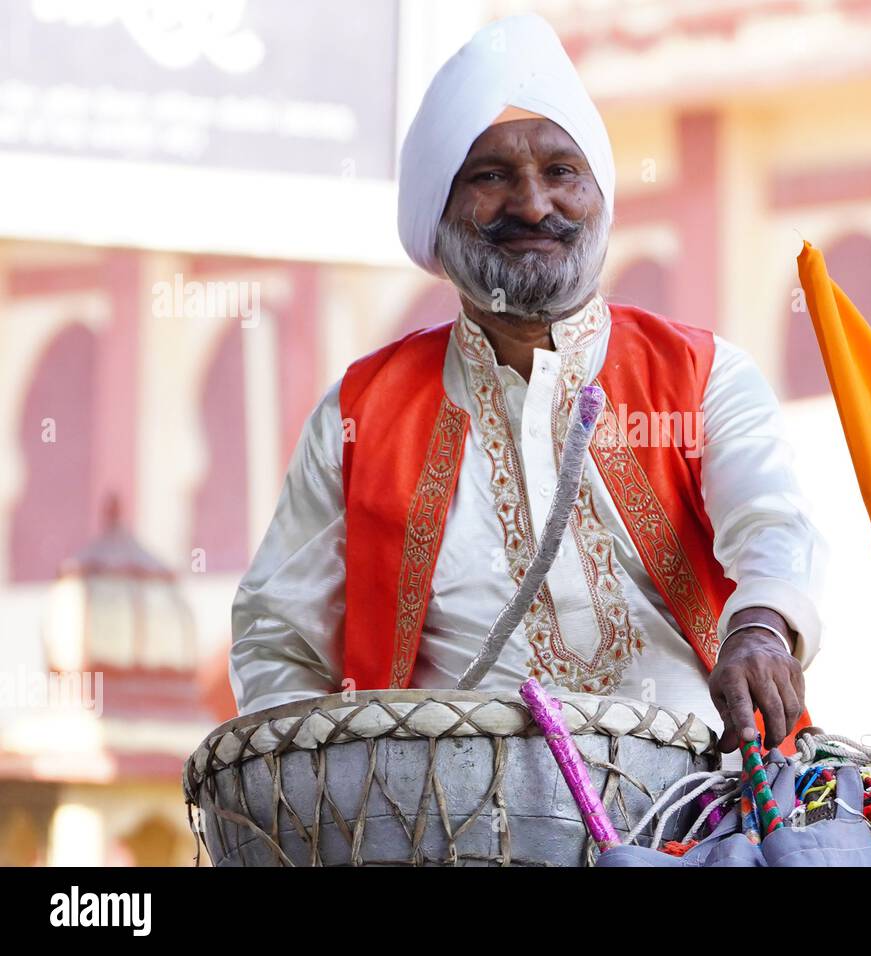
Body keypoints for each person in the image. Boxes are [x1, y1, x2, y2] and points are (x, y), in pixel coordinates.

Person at [229, 12, 827, 754]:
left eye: (560, 171)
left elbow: (773, 526)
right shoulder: (362, 412)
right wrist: (329, 789)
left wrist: (762, 624)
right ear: (439, 212)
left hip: (694, 805)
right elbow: (278, 636)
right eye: (490, 176)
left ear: (599, 196)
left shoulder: (703, 376)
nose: (534, 204)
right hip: (440, 822)